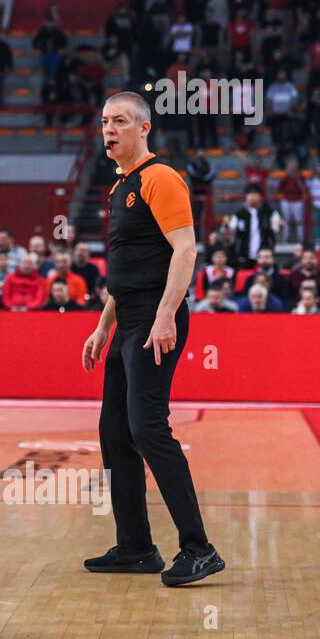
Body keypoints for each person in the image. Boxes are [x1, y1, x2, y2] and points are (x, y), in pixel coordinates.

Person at [81, 92, 223, 586]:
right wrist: (104, 325)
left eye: (119, 121)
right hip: (129, 320)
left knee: (148, 429)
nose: (109, 130)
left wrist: (165, 316)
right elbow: (129, 271)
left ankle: (199, 548)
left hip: (155, 321)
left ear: (144, 128)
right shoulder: (121, 187)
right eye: (104, 122)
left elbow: (185, 252)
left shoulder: (161, 178)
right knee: (115, 434)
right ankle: (136, 547)